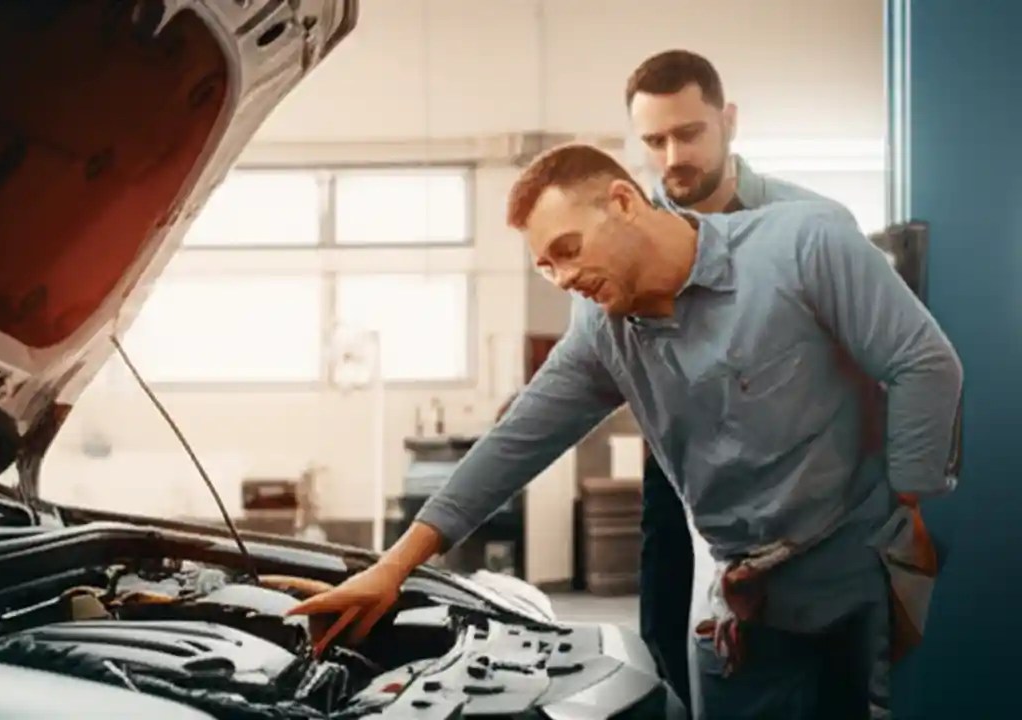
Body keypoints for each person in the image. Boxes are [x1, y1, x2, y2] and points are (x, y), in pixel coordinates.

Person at [287, 142, 962, 719]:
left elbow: (923, 362)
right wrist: (390, 568)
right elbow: (512, 444)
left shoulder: (803, 246)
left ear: (622, 201)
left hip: (856, 575)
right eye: (546, 266)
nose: (564, 278)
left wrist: (908, 501)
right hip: (743, 601)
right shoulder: (601, 337)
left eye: (568, 249)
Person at [622, 48, 865, 712]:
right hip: (682, 460)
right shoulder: (629, 239)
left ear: (728, 121)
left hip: (803, 472)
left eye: (689, 132)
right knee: (670, 623)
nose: (672, 155)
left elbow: (876, 369)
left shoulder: (813, 225)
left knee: (832, 650)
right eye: (654, 140)